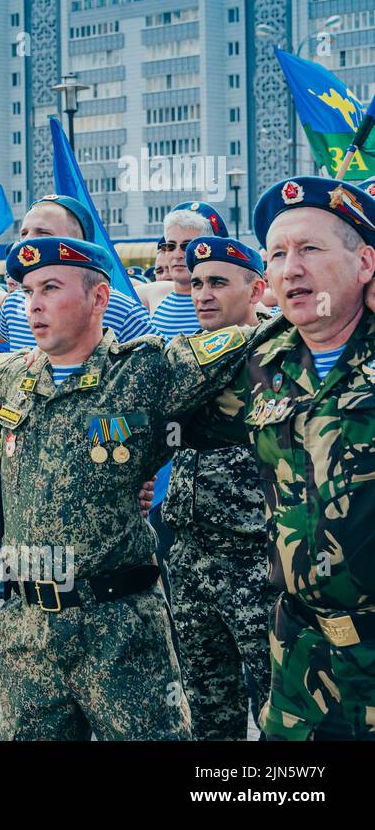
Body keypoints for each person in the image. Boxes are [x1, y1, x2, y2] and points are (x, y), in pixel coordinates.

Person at [0, 236, 263, 739]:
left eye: (50, 287)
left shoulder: (144, 372)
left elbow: (256, 336)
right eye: (28, 291)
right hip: (26, 635)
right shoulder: (11, 376)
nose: (35, 304)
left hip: (118, 629)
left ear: (99, 298)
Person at [190, 176, 375, 740]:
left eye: (310, 249)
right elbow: (170, 422)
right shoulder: (261, 363)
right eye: (277, 253)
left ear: (366, 263)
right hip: (300, 651)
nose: (290, 268)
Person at [164, 236, 275, 739]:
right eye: (197, 283)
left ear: (256, 290)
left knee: (275, 702)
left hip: (256, 559)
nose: (202, 294)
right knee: (208, 706)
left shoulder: (280, 348)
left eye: (218, 283)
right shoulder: (180, 354)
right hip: (189, 556)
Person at [0, 195, 152, 349]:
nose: (28, 242)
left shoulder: (113, 305)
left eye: (43, 233)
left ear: (78, 243)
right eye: (24, 233)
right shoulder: (15, 303)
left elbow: (166, 364)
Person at [150, 202, 226, 341]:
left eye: (187, 246)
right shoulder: (153, 296)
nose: (177, 254)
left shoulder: (228, 300)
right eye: (170, 246)